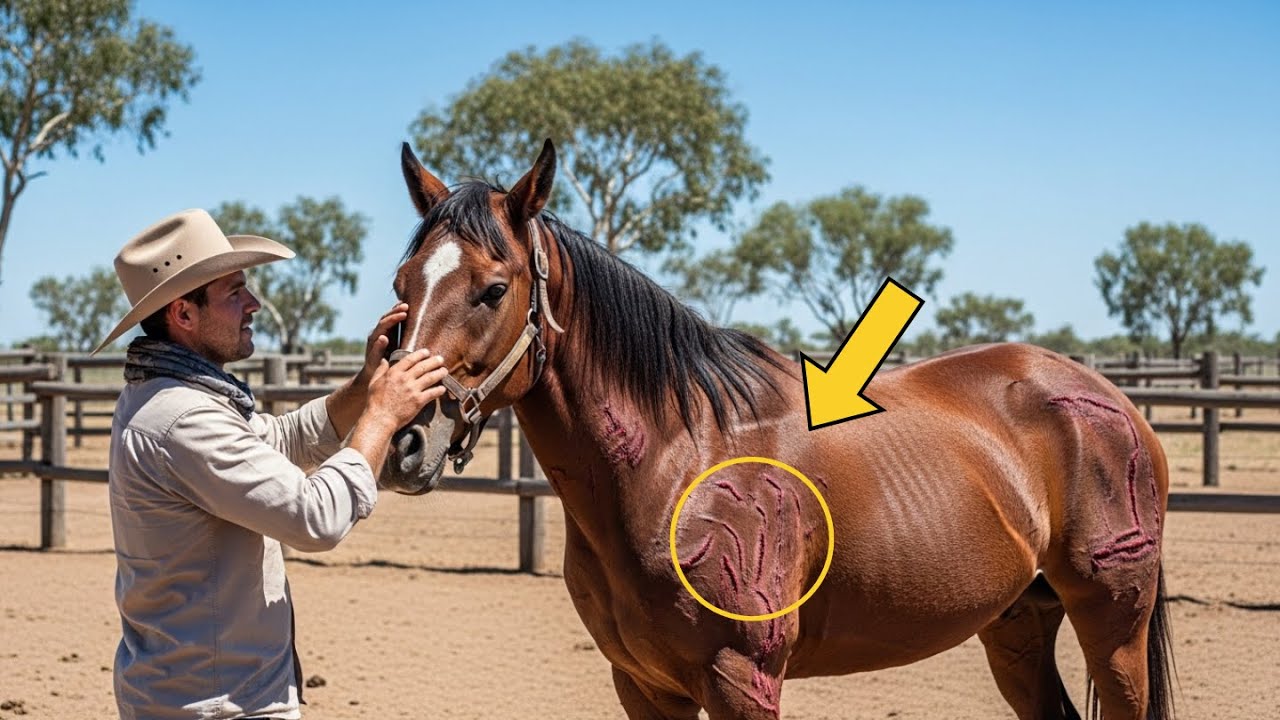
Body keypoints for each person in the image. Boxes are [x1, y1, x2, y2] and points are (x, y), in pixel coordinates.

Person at [95, 208, 447, 720]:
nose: (254, 303)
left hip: (196, 691)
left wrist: (363, 385)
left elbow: (276, 440)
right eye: (234, 292)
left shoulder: (169, 397)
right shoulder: (185, 419)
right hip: (220, 703)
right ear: (184, 314)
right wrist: (381, 415)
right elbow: (315, 518)